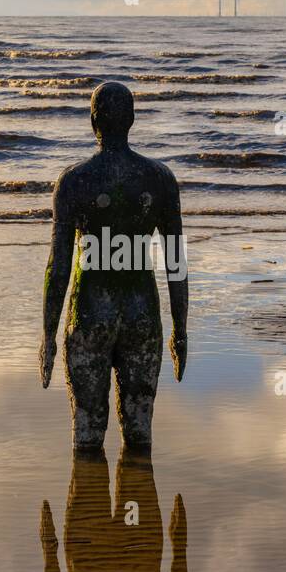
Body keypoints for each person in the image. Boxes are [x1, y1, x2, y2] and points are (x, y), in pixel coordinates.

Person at [39, 81, 187, 449]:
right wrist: (180, 330)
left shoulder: (74, 181)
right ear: (132, 120)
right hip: (142, 317)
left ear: (93, 121)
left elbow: (58, 266)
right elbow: (176, 262)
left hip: (89, 316)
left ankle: (86, 502)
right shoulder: (160, 179)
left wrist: (48, 335)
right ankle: (138, 493)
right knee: (140, 432)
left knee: (87, 432)